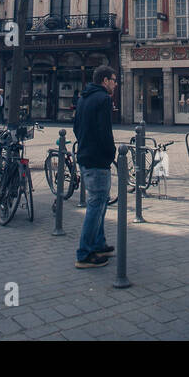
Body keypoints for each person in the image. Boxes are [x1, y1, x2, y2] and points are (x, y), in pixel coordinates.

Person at [74, 65, 117, 269]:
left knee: (100, 202)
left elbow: (76, 127)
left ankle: (99, 243)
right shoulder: (104, 99)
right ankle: (85, 252)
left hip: (84, 155)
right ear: (105, 80)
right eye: (114, 80)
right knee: (96, 204)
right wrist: (110, 153)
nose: (115, 84)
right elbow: (104, 131)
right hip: (98, 159)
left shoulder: (83, 97)